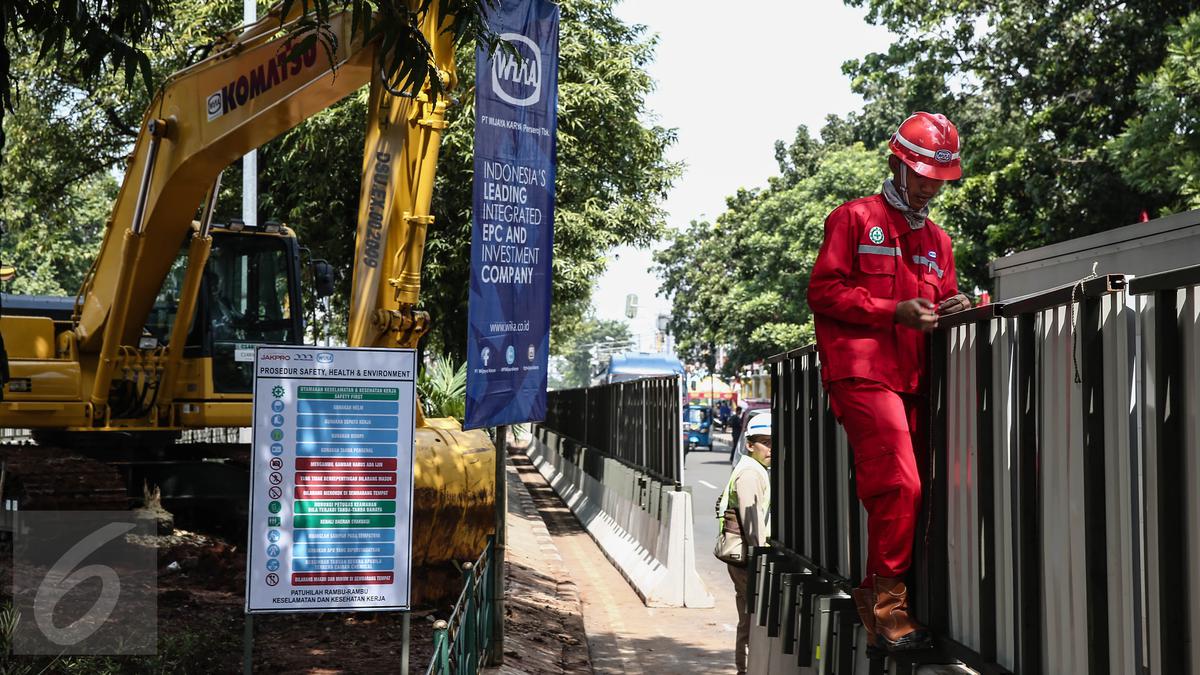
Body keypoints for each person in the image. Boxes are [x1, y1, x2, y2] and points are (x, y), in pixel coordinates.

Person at [806, 112, 971, 654]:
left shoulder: (939, 242)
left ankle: (873, 594)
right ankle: (888, 610)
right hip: (861, 372)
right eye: (922, 174)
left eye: (938, 179)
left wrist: (954, 308)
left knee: (915, 490)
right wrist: (890, 311)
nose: (929, 188)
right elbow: (823, 293)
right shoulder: (853, 219)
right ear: (898, 165)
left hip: (916, 378)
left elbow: (937, 303)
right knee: (902, 484)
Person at [718, 412, 771, 675]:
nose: (770, 448)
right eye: (765, 442)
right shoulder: (750, 473)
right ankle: (745, 669)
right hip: (748, 558)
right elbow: (753, 524)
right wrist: (763, 556)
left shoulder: (755, 468)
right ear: (750, 444)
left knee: (748, 618)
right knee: (749, 620)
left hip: (746, 557)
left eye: (774, 442)